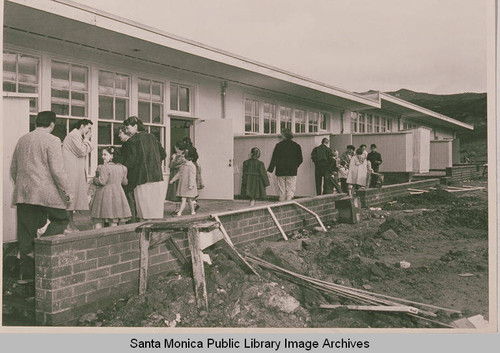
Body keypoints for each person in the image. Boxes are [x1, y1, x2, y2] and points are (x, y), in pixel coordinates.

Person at [10, 111, 72, 282]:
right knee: (61, 219)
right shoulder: (53, 140)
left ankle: (27, 276)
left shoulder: (22, 139)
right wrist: (67, 192)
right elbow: (58, 171)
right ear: (52, 124)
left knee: (26, 232)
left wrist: (24, 185)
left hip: (24, 193)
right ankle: (38, 249)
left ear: (36, 122)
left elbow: (13, 169)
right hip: (45, 194)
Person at [122, 116, 167, 220]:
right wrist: (155, 164)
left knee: (144, 213)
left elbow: (131, 161)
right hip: (157, 177)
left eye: (128, 128)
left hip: (142, 178)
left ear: (136, 126)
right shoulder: (152, 137)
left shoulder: (132, 140)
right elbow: (163, 154)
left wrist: (121, 168)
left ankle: (146, 234)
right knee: (155, 211)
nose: (127, 131)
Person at [62, 118, 93, 232]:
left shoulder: (76, 136)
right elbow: (82, 151)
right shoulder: (74, 135)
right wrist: (87, 140)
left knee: (73, 199)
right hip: (71, 171)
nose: (89, 131)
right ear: (82, 126)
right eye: (88, 128)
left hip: (75, 171)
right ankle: (68, 225)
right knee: (71, 199)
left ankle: (70, 224)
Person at [90, 147, 131, 229]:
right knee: (114, 218)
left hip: (104, 194)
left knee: (99, 218)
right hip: (118, 195)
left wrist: (94, 179)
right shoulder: (123, 168)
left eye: (105, 154)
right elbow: (125, 182)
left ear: (112, 156)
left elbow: (102, 181)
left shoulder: (104, 167)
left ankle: (98, 237)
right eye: (102, 154)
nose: (103, 156)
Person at [267, 128, 303, 201]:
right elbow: (300, 159)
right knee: (290, 190)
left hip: (280, 171)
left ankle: (281, 206)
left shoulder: (278, 145)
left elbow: (274, 159)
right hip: (292, 171)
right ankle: (288, 204)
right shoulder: (296, 146)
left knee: (282, 191)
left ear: (284, 135)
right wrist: (295, 166)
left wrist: (270, 170)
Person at [115, 126, 136, 222]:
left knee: (129, 196)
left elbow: (131, 160)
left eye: (120, 133)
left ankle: (131, 219)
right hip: (128, 173)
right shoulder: (127, 143)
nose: (119, 135)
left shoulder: (130, 143)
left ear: (126, 133)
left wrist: (122, 169)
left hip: (130, 174)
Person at [169, 150, 198, 216]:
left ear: (187, 158)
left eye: (183, 157)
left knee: (184, 199)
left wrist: (191, 185)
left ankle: (180, 212)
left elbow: (192, 176)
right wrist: (173, 180)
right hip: (183, 186)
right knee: (189, 199)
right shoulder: (183, 165)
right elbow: (179, 174)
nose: (182, 158)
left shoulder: (191, 166)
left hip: (188, 186)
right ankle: (193, 211)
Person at [166, 141, 186, 215]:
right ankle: (177, 208)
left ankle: (179, 209)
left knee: (178, 190)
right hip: (176, 173)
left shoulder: (180, 156)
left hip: (177, 174)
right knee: (176, 191)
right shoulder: (180, 156)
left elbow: (172, 165)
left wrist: (173, 159)